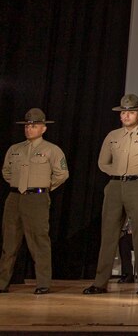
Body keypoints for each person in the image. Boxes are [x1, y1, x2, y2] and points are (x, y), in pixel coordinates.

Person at [83, 94, 138, 295]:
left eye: (131, 112)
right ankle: (100, 282)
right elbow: (102, 162)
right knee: (108, 235)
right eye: (123, 112)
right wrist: (117, 172)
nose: (126, 115)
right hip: (114, 186)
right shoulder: (112, 136)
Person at [0, 108, 68, 294]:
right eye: (27, 126)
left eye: (34, 126)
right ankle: (2, 282)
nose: (29, 129)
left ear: (43, 128)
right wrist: (17, 185)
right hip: (14, 198)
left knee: (39, 242)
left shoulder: (51, 150)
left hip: (36, 199)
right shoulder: (15, 149)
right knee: (9, 243)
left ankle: (43, 283)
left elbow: (62, 174)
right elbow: (6, 171)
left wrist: (44, 187)